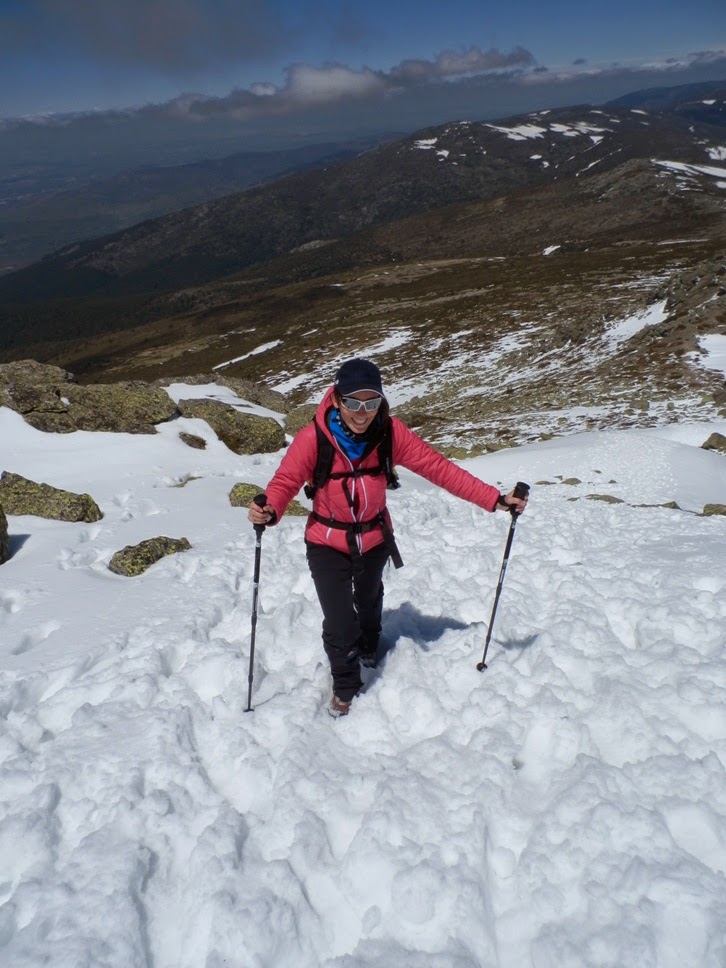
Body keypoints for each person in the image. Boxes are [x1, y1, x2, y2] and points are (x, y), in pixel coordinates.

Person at [248, 358, 527, 718]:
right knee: (338, 621)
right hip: (325, 541)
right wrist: (268, 509)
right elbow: (285, 481)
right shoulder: (313, 438)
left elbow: (439, 469)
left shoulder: (390, 433)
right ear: (336, 400)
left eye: (371, 402)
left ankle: (369, 643)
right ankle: (346, 687)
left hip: (375, 537)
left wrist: (494, 499)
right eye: (353, 402)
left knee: (368, 600)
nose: (362, 413)